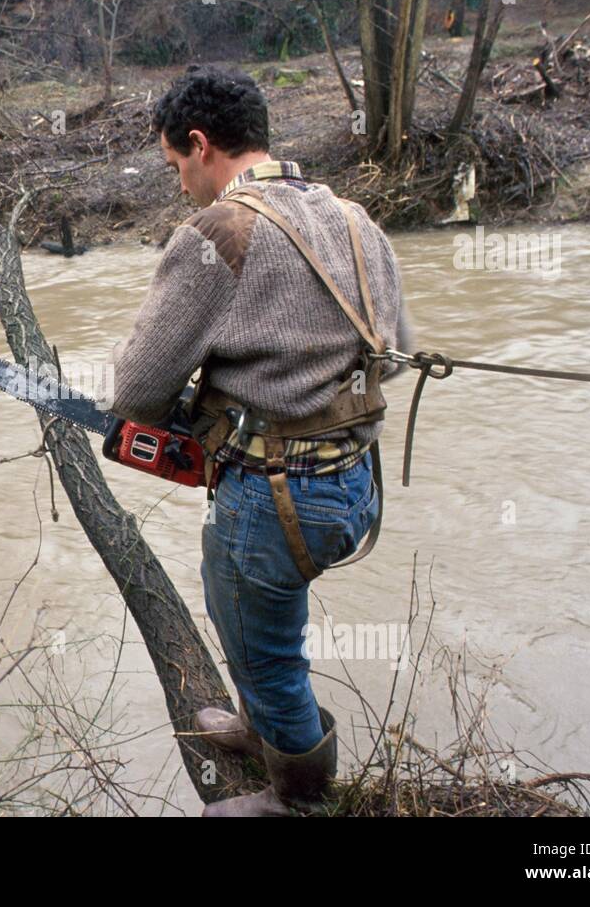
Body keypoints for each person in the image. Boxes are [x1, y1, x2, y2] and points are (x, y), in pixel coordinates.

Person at [108, 64, 415, 817]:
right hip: (354, 489)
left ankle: (299, 800)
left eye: (178, 164)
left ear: (203, 145)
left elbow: (137, 393)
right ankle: (262, 727)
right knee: (265, 628)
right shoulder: (355, 219)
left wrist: (212, 402)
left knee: (265, 650)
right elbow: (397, 350)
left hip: (274, 498)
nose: (181, 183)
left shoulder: (220, 232)